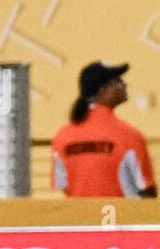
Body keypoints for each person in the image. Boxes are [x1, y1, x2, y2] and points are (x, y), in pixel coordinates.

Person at [51, 62, 156, 198]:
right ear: (102, 90)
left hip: (79, 212)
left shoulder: (62, 137)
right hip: (122, 212)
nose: (124, 85)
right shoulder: (129, 136)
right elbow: (147, 190)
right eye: (118, 81)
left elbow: (64, 186)